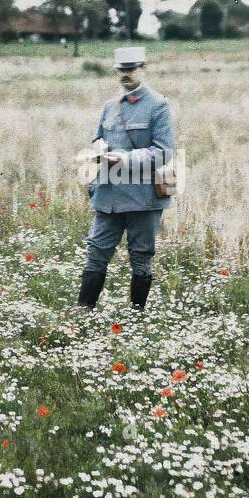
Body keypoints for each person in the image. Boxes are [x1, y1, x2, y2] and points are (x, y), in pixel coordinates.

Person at [76, 46, 175, 310]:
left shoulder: (159, 105)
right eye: (121, 70)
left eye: (131, 69)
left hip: (143, 197)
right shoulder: (110, 106)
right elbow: (98, 137)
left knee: (141, 258)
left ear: (143, 68)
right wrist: (98, 149)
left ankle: (136, 316)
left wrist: (126, 159)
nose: (125, 75)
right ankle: (82, 314)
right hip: (108, 194)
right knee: (96, 252)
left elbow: (164, 151)